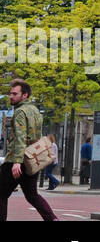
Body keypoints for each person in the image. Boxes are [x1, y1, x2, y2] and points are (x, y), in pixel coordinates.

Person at [1, 80, 58, 221]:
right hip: (32, 159)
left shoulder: (20, 112)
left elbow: (21, 138)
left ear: (24, 95)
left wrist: (16, 162)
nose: (11, 96)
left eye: (15, 94)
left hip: (16, 159)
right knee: (32, 195)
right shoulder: (35, 110)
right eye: (10, 93)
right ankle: (53, 219)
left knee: (0, 194)